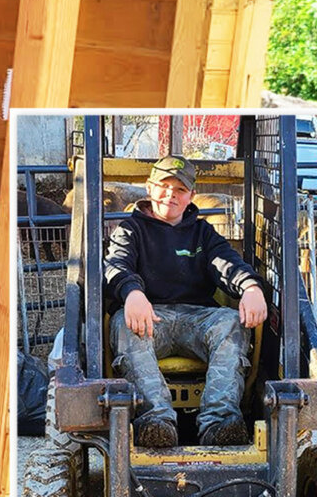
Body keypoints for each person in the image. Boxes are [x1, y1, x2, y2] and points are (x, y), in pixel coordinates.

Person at [104, 155, 268, 449]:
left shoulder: (203, 233)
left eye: (180, 189)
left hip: (197, 319)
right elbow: (117, 265)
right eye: (164, 186)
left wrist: (251, 287)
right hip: (150, 319)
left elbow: (226, 263)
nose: (171, 194)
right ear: (150, 188)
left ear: (191, 195)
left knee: (231, 322)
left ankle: (219, 424)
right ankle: (156, 422)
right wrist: (132, 292)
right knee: (126, 326)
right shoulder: (129, 231)